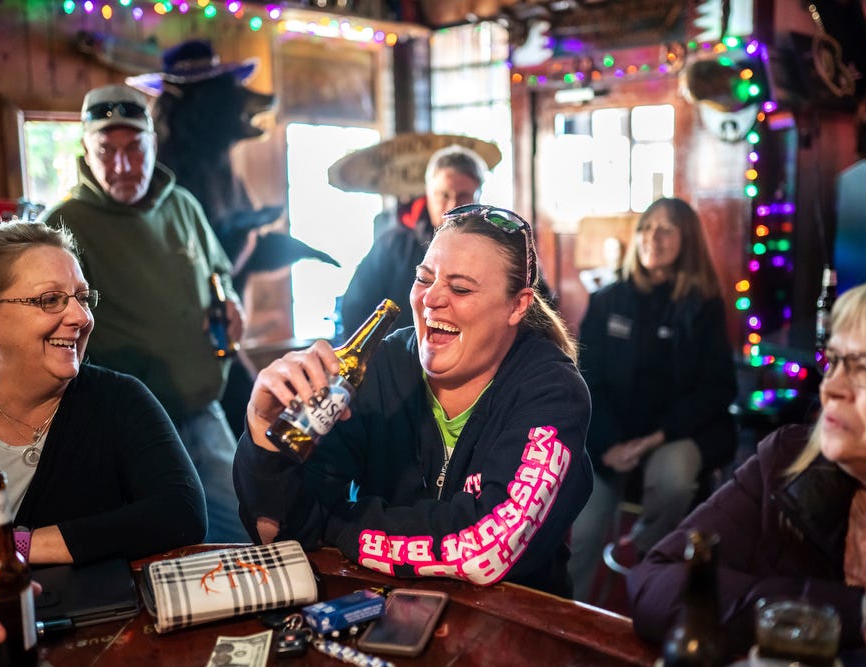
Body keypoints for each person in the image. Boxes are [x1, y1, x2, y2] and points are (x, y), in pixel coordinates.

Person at [234, 204, 593, 596]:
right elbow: (277, 531)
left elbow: (488, 549)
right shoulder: (383, 366)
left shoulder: (551, 389)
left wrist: (334, 526)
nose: (431, 298)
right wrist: (262, 434)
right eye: (424, 278)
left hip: (511, 627)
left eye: (460, 288)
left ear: (517, 305)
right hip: (391, 617)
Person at [0, 221, 206, 656]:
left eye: (81, 297)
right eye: (50, 300)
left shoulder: (120, 400)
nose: (81, 317)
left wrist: (13, 542)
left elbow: (181, 512)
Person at [629, 274, 866, 664]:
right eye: (835, 361)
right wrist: (852, 618)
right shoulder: (789, 463)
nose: (832, 386)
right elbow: (654, 583)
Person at [38, 83, 249, 542]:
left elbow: (220, 275)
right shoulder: (62, 225)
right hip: (129, 428)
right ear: (85, 152)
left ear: (154, 145)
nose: (122, 165)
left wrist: (232, 303)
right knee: (161, 550)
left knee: (244, 535)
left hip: (203, 409)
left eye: (135, 148)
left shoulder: (183, 205)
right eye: (106, 150)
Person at [567, 197, 737, 601]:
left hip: (673, 434)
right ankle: (567, 617)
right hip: (612, 437)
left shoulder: (703, 306)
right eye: (646, 227)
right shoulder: (609, 299)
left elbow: (718, 389)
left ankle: (649, 562)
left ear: (687, 240)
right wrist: (607, 445)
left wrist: (653, 439)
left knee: (674, 476)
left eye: (665, 229)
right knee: (581, 528)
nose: (651, 238)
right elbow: (582, 378)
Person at [338, 144, 488, 335]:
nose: (452, 206)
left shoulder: (499, 249)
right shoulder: (391, 247)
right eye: (443, 195)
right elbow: (355, 311)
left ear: (479, 196)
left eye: (464, 196)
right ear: (428, 194)